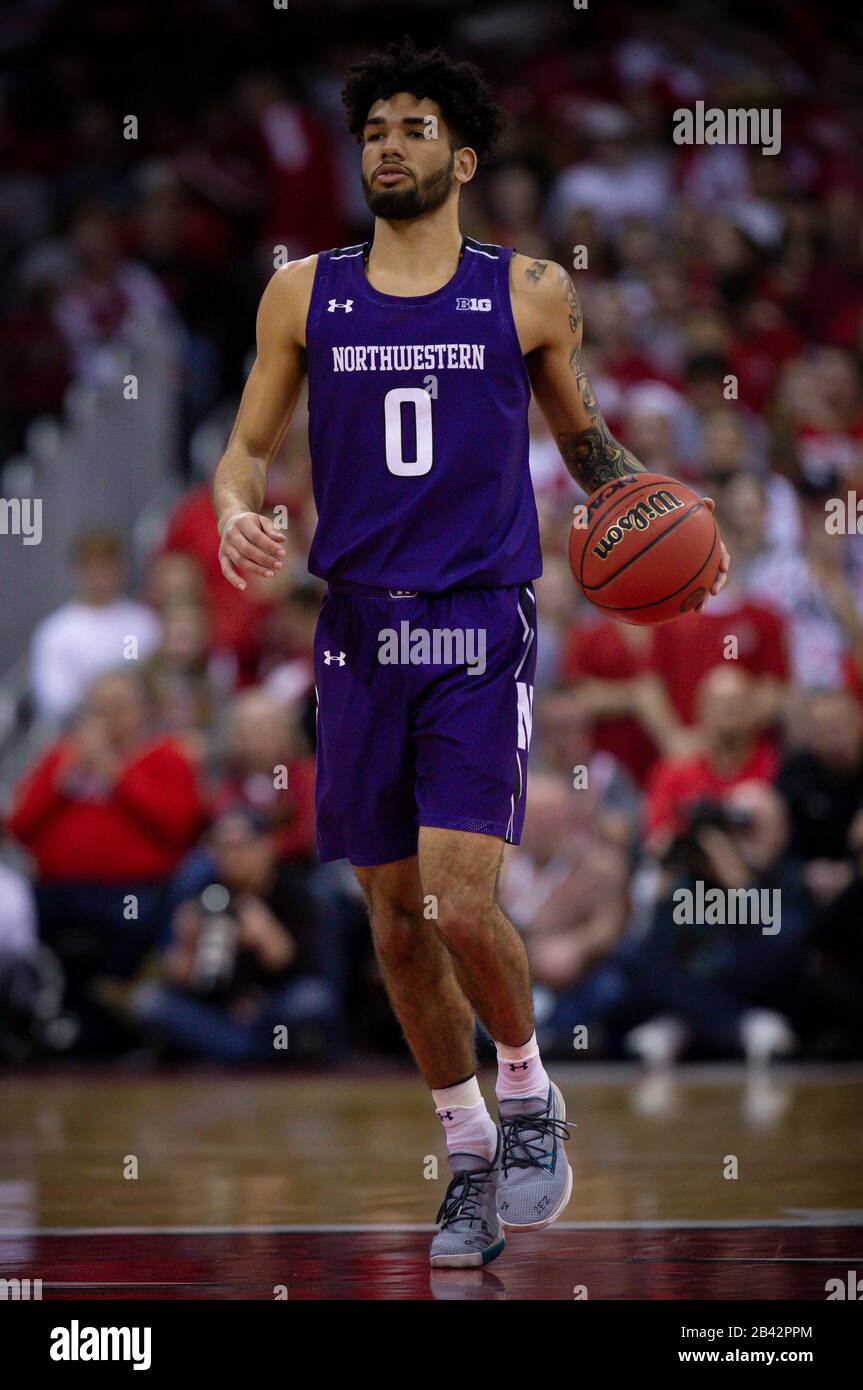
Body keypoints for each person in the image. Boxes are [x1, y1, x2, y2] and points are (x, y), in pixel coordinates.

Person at [211, 38, 729, 1268]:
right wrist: (239, 508)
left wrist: (668, 527)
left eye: (413, 128)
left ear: (463, 155)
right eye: (373, 129)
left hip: (475, 621)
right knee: (394, 922)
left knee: (456, 895)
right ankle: (466, 1156)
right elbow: (244, 452)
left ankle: (530, 1087)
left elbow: (589, 446)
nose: (389, 145)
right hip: (356, 628)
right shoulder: (301, 293)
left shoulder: (530, 290)